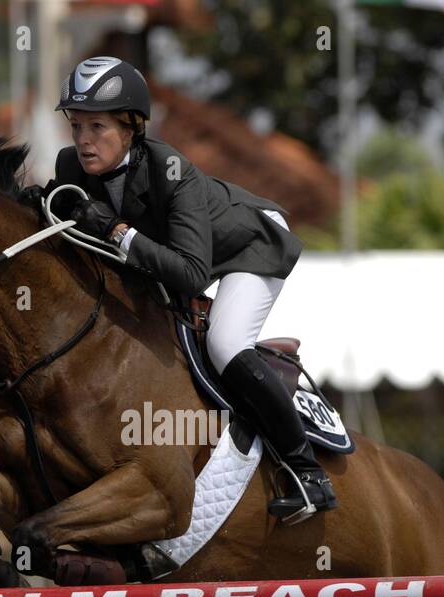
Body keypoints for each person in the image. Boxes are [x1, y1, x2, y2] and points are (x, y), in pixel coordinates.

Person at [26, 56, 337, 522]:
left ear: (131, 127)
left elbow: (192, 274)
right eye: (76, 126)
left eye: (97, 126)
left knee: (225, 342)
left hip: (250, 245)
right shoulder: (72, 164)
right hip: (177, 254)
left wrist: (116, 232)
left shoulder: (172, 170)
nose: (83, 140)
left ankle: (307, 471)